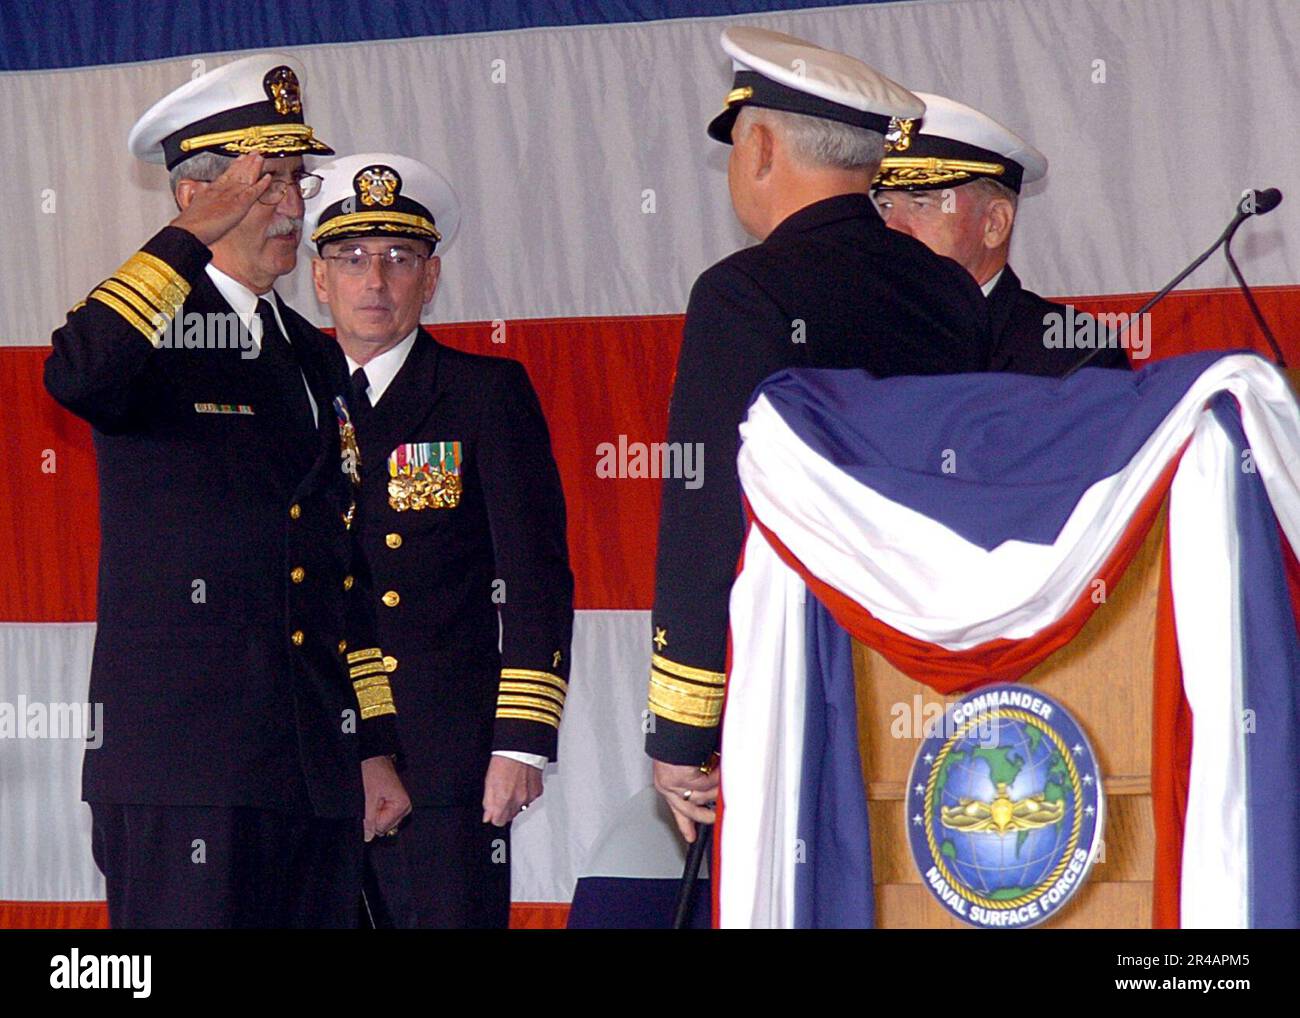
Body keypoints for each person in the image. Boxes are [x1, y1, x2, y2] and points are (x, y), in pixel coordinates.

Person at [43, 54, 409, 928]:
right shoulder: (148, 327)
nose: (293, 205)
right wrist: (185, 242)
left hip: (312, 768)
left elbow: (338, 566)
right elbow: (77, 373)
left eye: (296, 179)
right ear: (197, 196)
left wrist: (371, 745)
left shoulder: (313, 354)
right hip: (187, 768)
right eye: (265, 183)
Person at [645, 28, 991, 840]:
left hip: (794, 673)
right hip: (925, 664)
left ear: (761, 146)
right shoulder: (949, 292)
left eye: (735, 145)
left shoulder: (742, 294)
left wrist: (684, 729)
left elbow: (708, 511)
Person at [304, 153, 574, 928]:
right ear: (319, 279)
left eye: (399, 259)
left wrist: (521, 742)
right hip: (314, 746)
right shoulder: (289, 401)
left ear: (432, 277)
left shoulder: (483, 394)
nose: (375, 281)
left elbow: (537, 578)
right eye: (351, 259)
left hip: (445, 753)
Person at [872, 92, 1131, 375]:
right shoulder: (854, 331)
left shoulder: (1073, 349)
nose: (891, 227)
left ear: (994, 223)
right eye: (885, 205)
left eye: (920, 204)